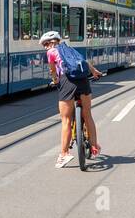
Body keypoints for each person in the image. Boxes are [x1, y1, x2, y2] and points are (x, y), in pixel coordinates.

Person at [41, 30, 104, 168]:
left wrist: (55, 80)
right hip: (83, 81)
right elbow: (85, 63)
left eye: (46, 44)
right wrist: (95, 72)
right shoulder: (69, 49)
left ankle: (64, 154)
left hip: (67, 82)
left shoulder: (51, 52)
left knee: (66, 120)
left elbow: (53, 71)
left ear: (52, 42)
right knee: (87, 114)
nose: (45, 47)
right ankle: (94, 146)